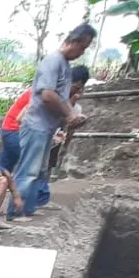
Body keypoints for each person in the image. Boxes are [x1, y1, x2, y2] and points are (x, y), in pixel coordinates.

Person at [13, 25, 95, 223]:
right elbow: (48, 95)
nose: (82, 53)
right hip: (36, 125)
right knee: (28, 171)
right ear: (74, 42)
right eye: (83, 48)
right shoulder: (53, 62)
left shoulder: (64, 66)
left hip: (45, 127)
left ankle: (28, 208)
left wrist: (73, 115)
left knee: (39, 171)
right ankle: (16, 212)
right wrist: (69, 115)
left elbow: (61, 97)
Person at [0, 64, 89, 216]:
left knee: (6, 170)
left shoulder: (60, 95)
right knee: (28, 171)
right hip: (16, 130)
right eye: (76, 88)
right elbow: (21, 118)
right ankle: (17, 212)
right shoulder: (51, 92)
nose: (76, 92)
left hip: (17, 129)